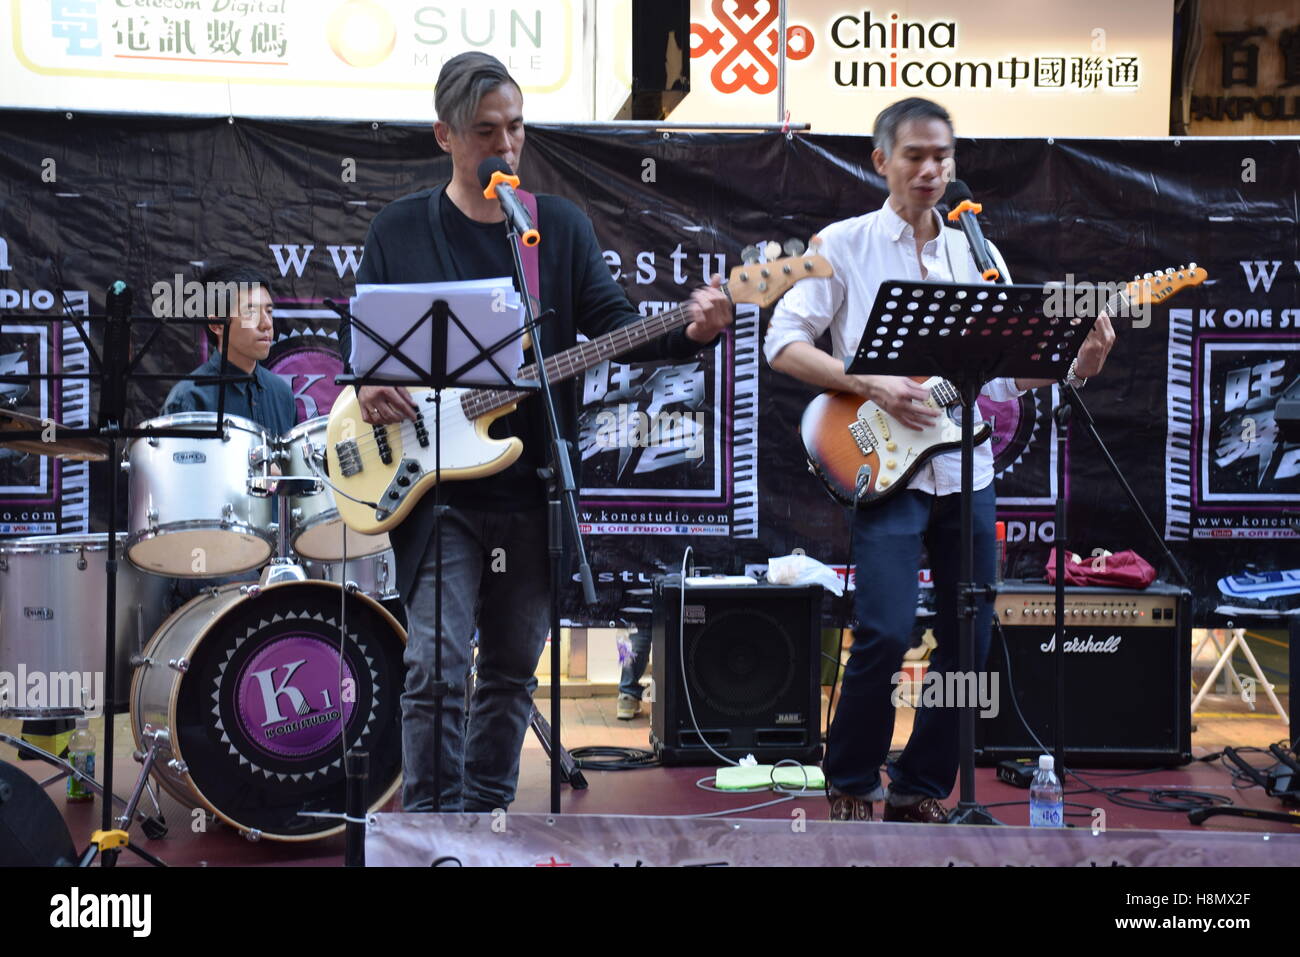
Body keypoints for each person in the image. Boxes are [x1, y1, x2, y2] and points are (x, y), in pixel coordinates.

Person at [351, 52, 732, 812]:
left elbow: (617, 329)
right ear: (444, 136)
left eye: (517, 127)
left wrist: (692, 330)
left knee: (514, 669)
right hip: (434, 490)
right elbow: (365, 353)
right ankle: (429, 825)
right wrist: (367, 383)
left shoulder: (554, 227)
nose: (506, 144)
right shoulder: (399, 228)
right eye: (486, 130)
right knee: (434, 661)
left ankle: (489, 816)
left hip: (534, 489)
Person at [764, 97, 1115, 823]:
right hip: (885, 468)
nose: (931, 169)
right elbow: (782, 341)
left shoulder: (978, 252)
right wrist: (867, 382)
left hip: (968, 467)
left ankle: (922, 786)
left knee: (971, 635)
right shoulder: (844, 242)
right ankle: (852, 777)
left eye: (943, 156)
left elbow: (1003, 374)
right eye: (916, 155)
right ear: (880, 161)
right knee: (887, 629)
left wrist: (1076, 362)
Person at [161, 264, 295, 434]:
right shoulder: (189, 398)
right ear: (217, 324)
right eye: (251, 312)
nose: (267, 324)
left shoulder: (282, 393)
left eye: (268, 311)